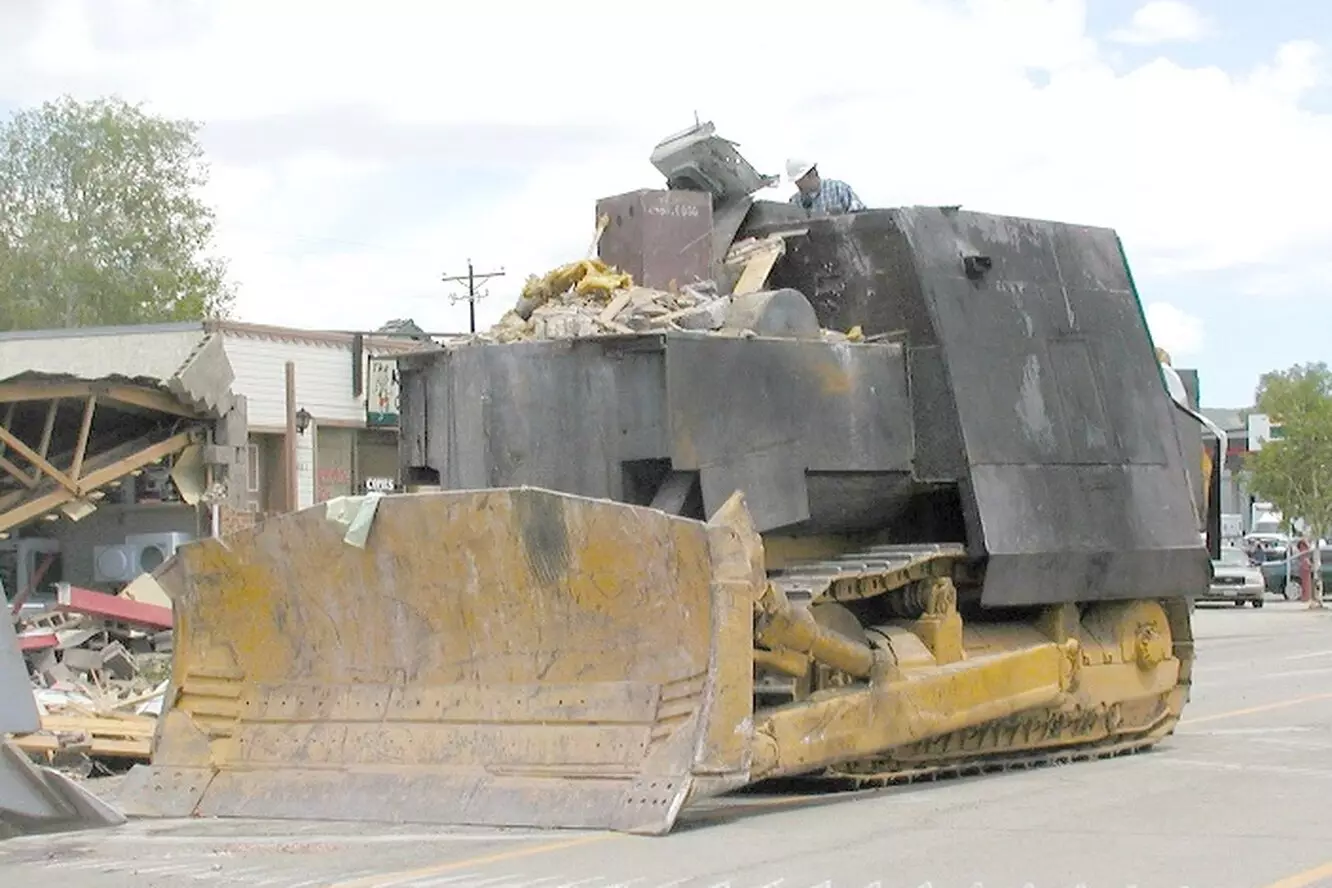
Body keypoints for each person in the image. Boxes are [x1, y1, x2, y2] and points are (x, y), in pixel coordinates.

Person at [785, 159, 865, 217]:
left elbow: (861, 216)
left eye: (799, 180)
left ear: (812, 174)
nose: (797, 184)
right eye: (795, 181)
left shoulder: (839, 190)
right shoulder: (795, 202)